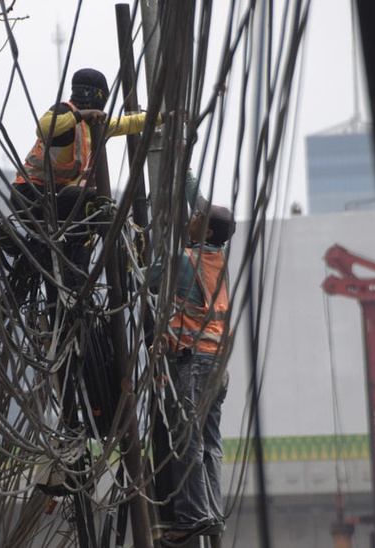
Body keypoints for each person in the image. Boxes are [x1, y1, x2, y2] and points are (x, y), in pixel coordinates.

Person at [11, 67, 169, 293]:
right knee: (96, 202)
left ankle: (82, 285)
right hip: (31, 197)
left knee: (89, 222)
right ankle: (73, 280)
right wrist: (80, 115)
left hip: (58, 201)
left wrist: (163, 117)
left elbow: (128, 124)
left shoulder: (94, 127)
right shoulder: (65, 114)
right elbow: (44, 128)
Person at [150, 171, 235, 547]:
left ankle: (193, 516)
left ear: (205, 231)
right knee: (210, 443)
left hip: (195, 362)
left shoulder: (184, 261)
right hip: (218, 366)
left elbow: (147, 280)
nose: (192, 217)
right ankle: (211, 514)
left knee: (188, 440)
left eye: (197, 218)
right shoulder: (217, 257)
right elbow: (199, 203)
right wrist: (183, 172)